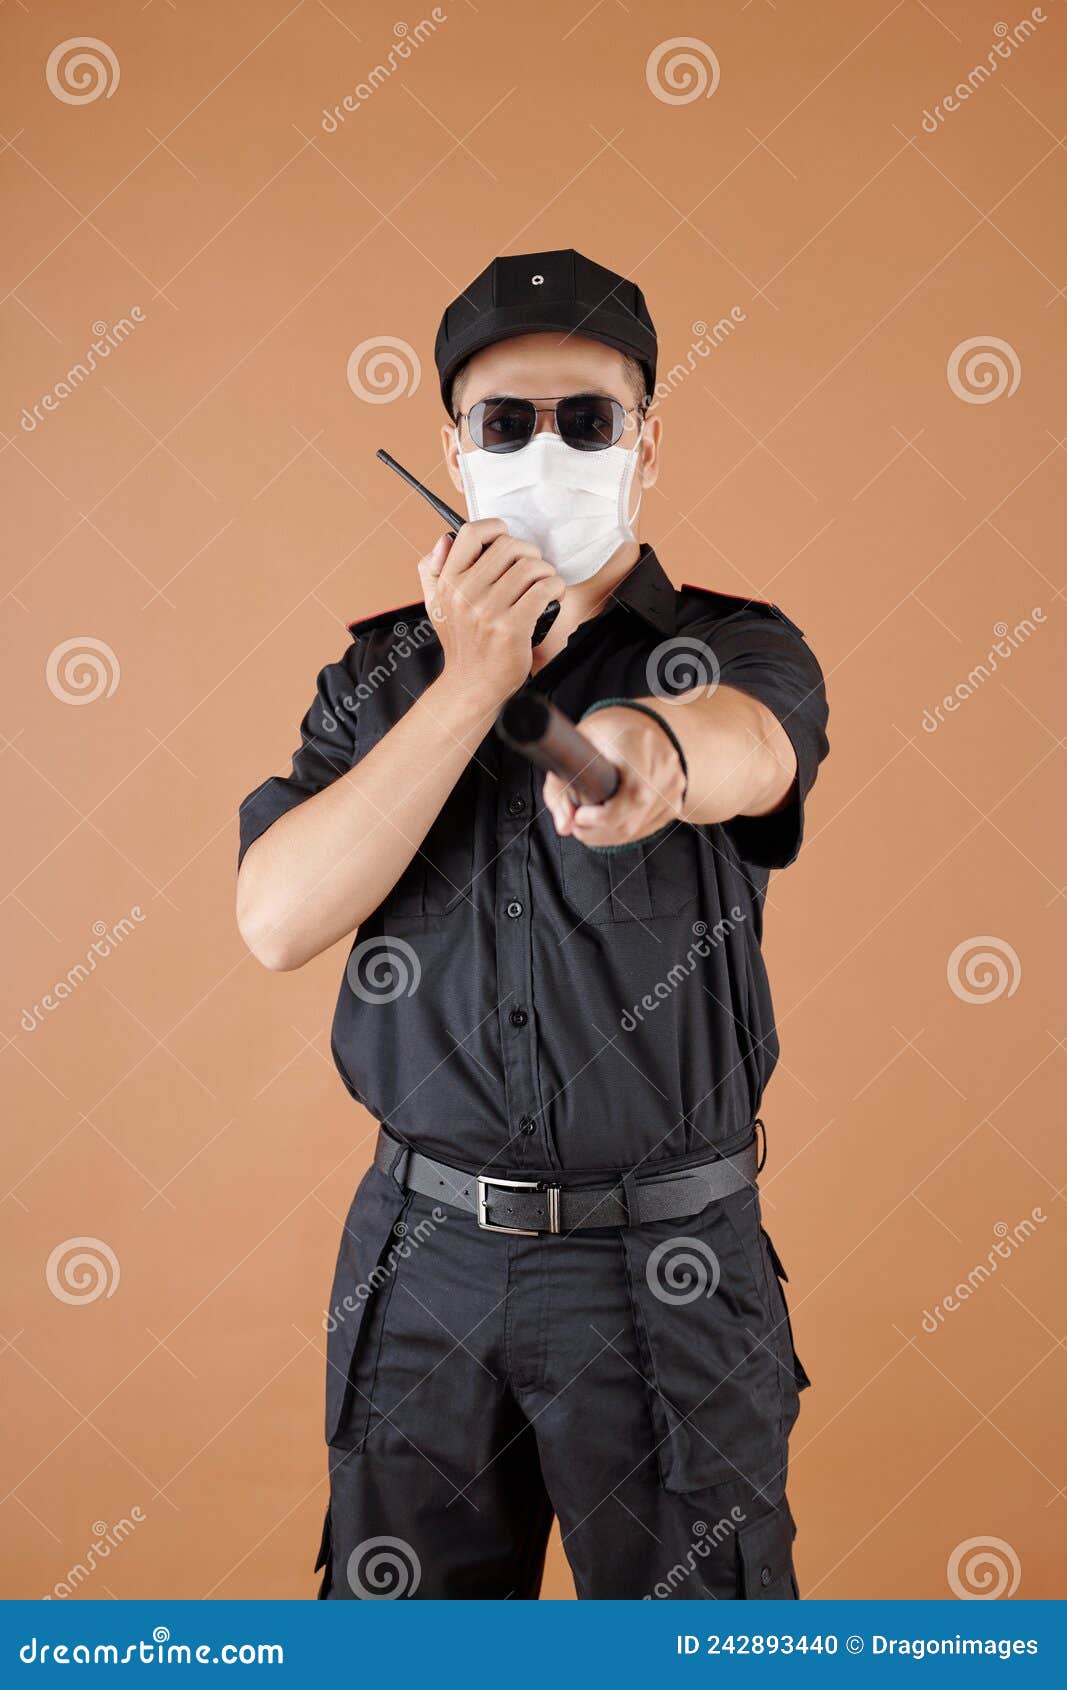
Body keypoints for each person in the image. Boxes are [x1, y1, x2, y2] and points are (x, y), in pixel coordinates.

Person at [236, 249, 829, 1601]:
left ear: (647, 441)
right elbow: (275, 915)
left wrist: (652, 757)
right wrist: (472, 683)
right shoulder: (376, 680)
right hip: (422, 1265)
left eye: (589, 419)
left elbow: (747, 750)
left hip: (668, 1274)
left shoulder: (736, 646)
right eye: (508, 423)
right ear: (455, 447)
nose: (547, 449)